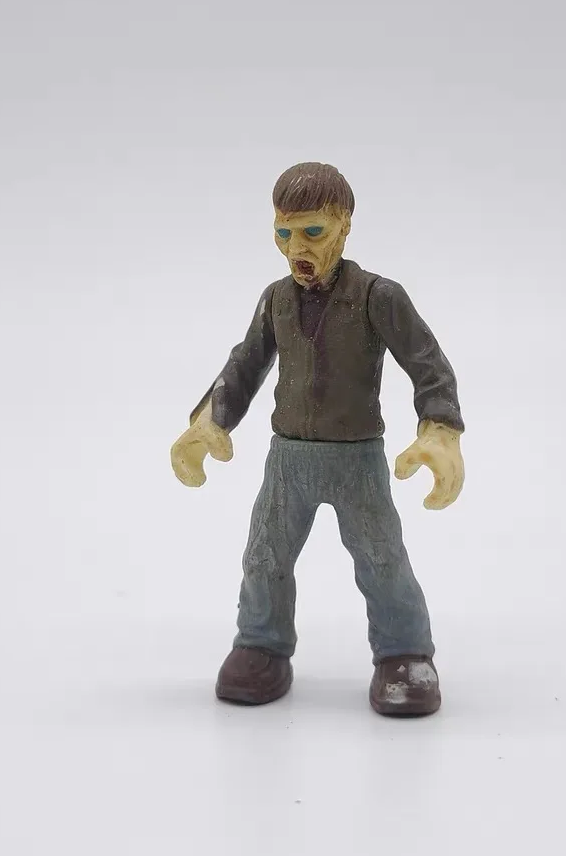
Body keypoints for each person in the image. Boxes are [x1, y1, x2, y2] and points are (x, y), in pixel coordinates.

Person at [169, 162, 465, 716]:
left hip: (358, 459)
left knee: (380, 556)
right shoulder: (276, 299)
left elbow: (429, 365)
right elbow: (245, 364)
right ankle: (261, 645)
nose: (296, 248)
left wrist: (440, 430)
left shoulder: (379, 296)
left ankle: (404, 653)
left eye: (313, 231)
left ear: (344, 225)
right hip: (288, 459)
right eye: (283, 233)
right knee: (265, 554)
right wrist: (209, 421)